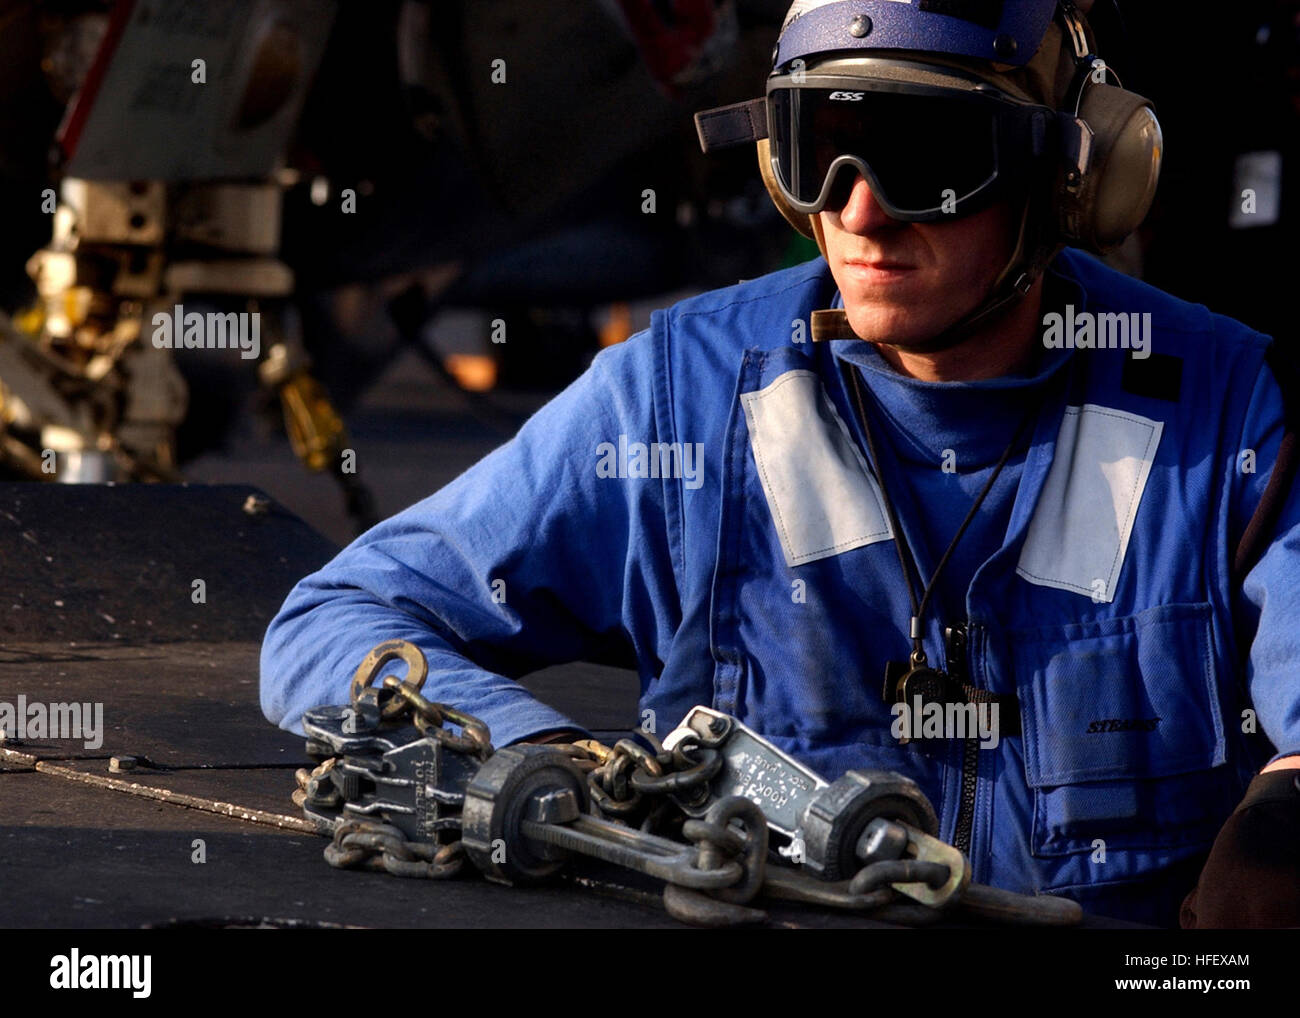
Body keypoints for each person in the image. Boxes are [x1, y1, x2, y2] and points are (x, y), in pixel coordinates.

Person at [260, 0, 1300, 928]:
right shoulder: (680, 400)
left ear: (1065, 171)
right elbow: (335, 621)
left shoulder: (1226, 413)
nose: (858, 211)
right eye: (821, 149)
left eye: (924, 157)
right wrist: (563, 768)